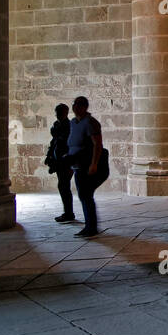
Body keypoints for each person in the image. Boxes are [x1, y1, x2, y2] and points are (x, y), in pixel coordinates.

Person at [67, 95, 105, 238]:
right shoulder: (73, 122)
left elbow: (97, 144)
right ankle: (89, 225)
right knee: (84, 195)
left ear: (84, 107)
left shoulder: (90, 122)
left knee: (86, 195)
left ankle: (91, 227)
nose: (75, 107)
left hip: (86, 165)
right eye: (74, 104)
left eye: (78, 105)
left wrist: (94, 163)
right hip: (76, 164)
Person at [45, 103, 76, 223]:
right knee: (63, 186)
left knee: (64, 186)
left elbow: (68, 143)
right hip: (58, 160)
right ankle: (68, 212)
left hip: (66, 161)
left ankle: (69, 213)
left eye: (59, 112)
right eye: (56, 111)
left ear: (65, 113)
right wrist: (49, 155)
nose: (57, 114)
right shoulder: (57, 125)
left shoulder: (69, 126)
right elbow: (54, 142)